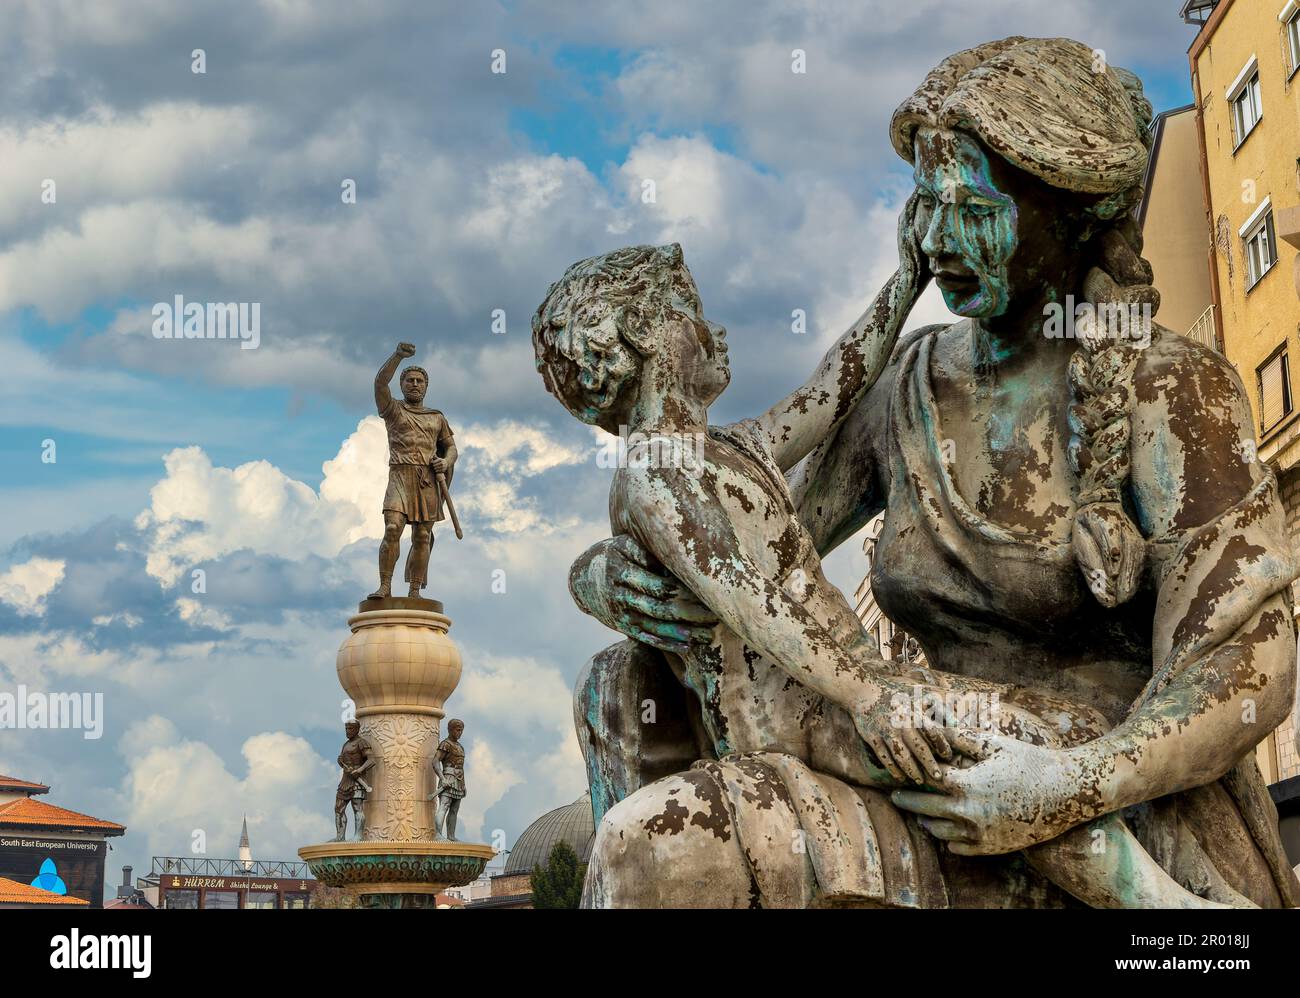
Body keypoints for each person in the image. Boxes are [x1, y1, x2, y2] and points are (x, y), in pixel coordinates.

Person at [558, 37, 1300, 909]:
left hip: (1102, 795)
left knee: (666, 850)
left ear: (1074, 213)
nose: (941, 237)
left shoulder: (1168, 386)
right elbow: (753, 546)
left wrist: (1065, 788)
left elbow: (1245, 675)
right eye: (926, 205)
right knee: (629, 739)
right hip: (922, 766)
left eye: (976, 209)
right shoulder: (904, 386)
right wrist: (612, 570)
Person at [370, 342, 457, 600]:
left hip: (426, 480)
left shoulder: (436, 417)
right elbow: (379, 384)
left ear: (426, 386)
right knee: (393, 528)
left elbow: (451, 447)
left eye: (420, 381)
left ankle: (414, 591)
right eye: (410, 380)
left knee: (422, 535)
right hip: (399, 475)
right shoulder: (393, 409)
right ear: (402, 385)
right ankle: (385, 586)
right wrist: (397, 356)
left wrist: (446, 462)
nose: (415, 384)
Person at [334, 720, 374, 842]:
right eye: (346, 729)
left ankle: (359, 835)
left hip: (358, 780)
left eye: (350, 729)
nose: (348, 731)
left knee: (357, 807)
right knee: (338, 808)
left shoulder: (362, 743)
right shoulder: (345, 745)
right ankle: (340, 837)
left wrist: (360, 769)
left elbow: (372, 760)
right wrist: (340, 761)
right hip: (346, 779)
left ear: (357, 729)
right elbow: (344, 761)